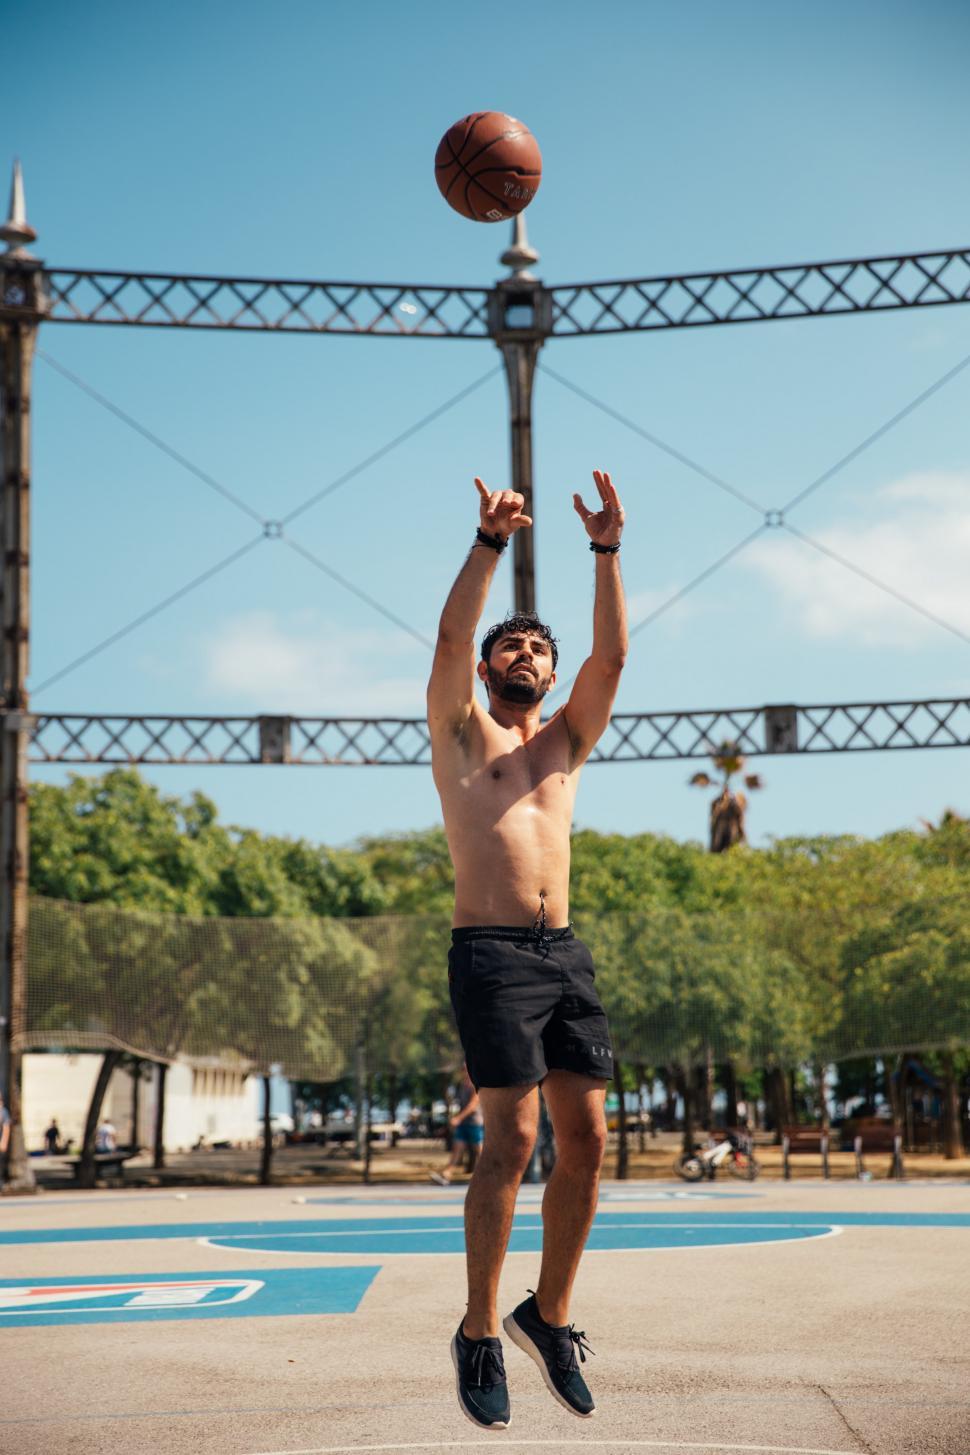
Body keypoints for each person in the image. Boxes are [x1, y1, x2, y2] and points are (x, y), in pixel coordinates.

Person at [427, 469, 627, 1430]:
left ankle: (546, 1318)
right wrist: (489, 543)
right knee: (508, 1139)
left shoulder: (566, 744)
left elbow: (613, 658)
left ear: (550, 676)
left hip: (565, 954)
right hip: (492, 954)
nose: (524, 652)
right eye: (512, 643)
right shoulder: (463, 735)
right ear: (488, 669)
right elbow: (450, 637)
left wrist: (607, 550)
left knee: (588, 1141)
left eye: (538, 648)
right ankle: (475, 1331)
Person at [431, 1065, 484, 1185]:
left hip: (475, 1123)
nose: (464, 1072)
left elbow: (472, 1106)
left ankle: (489, 1175)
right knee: (457, 1150)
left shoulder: (476, 1085)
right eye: (463, 1070)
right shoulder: (461, 1086)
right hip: (464, 1124)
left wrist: (458, 1118)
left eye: (466, 1069)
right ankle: (446, 1175)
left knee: (480, 1152)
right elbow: (460, 1105)